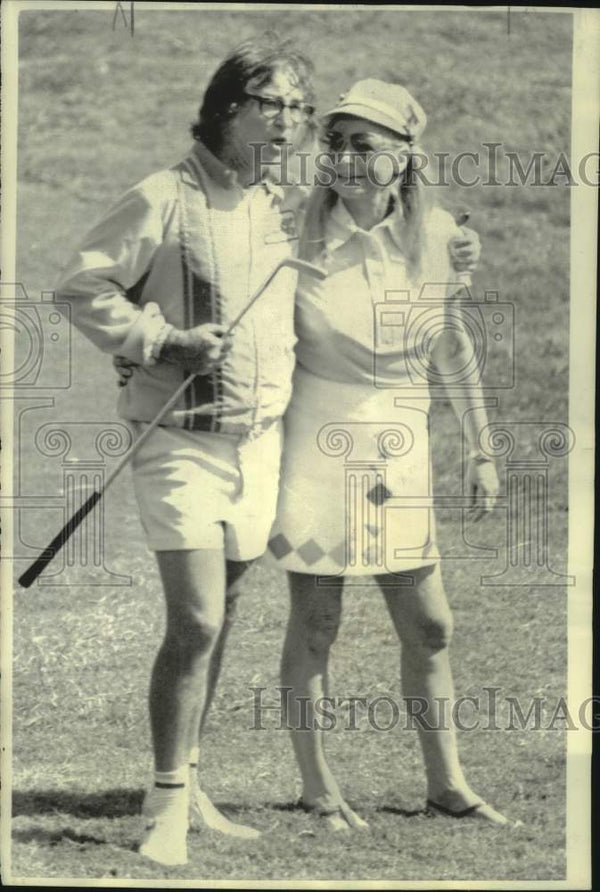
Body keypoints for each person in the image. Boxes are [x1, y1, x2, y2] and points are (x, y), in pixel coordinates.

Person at [58, 36, 481, 864]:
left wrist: (459, 241)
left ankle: (191, 782)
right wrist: (158, 341)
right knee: (196, 619)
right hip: (179, 438)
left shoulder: (278, 205)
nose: (289, 122)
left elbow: (394, 215)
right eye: (270, 105)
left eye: (297, 109)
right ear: (226, 109)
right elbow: (83, 286)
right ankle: (166, 806)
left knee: (221, 617)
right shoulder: (162, 196)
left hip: (258, 449)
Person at [267, 79, 519, 830]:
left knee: (430, 625)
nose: (343, 157)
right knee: (318, 621)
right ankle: (318, 790)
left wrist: (481, 448)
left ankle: (447, 788)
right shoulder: (291, 230)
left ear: (404, 158)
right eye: (334, 142)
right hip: (316, 445)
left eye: (363, 144)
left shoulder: (438, 236)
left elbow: (452, 345)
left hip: (400, 448)